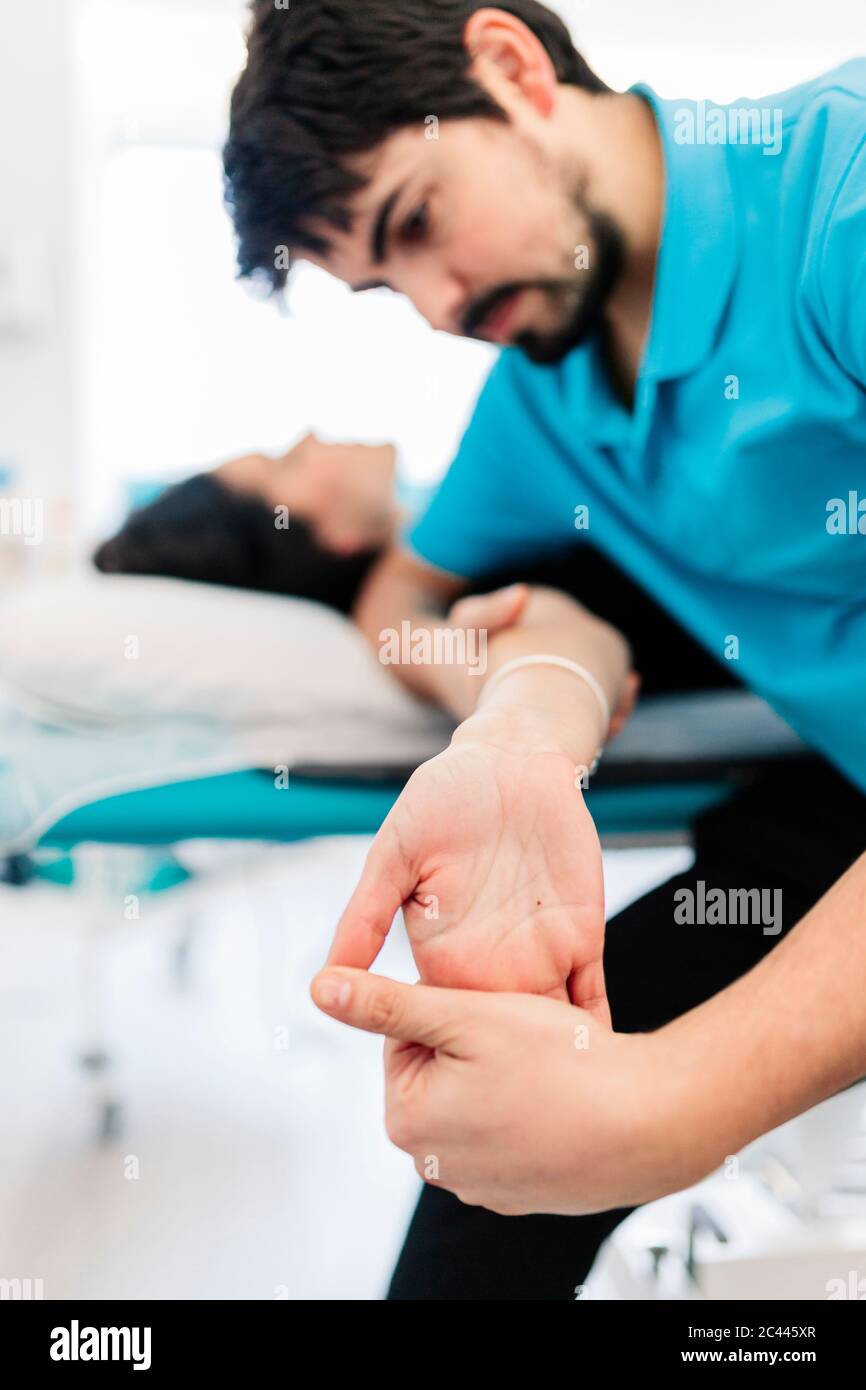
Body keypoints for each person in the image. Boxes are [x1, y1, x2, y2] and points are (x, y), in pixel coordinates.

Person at [222, 4, 866, 1300]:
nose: (440, 308)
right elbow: (396, 599)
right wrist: (523, 696)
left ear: (510, 69)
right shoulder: (542, 391)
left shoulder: (835, 202)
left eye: (414, 224)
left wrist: (667, 1102)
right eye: (382, 288)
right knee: (480, 1193)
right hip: (834, 795)